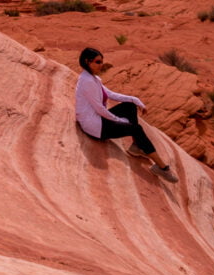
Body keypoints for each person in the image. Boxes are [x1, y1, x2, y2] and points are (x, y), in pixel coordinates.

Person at [74, 47, 178, 182]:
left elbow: (110, 94)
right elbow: (99, 109)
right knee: (136, 129)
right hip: (94, 126)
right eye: (98, 62)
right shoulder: (87, 81)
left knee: (129, 106)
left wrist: (134, 99)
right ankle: (162, 168)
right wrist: (118, 120)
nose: (101, 65)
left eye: (102, 62)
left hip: (99, 119)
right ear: (87, 61)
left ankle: (137, 146)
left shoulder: (94, 78)